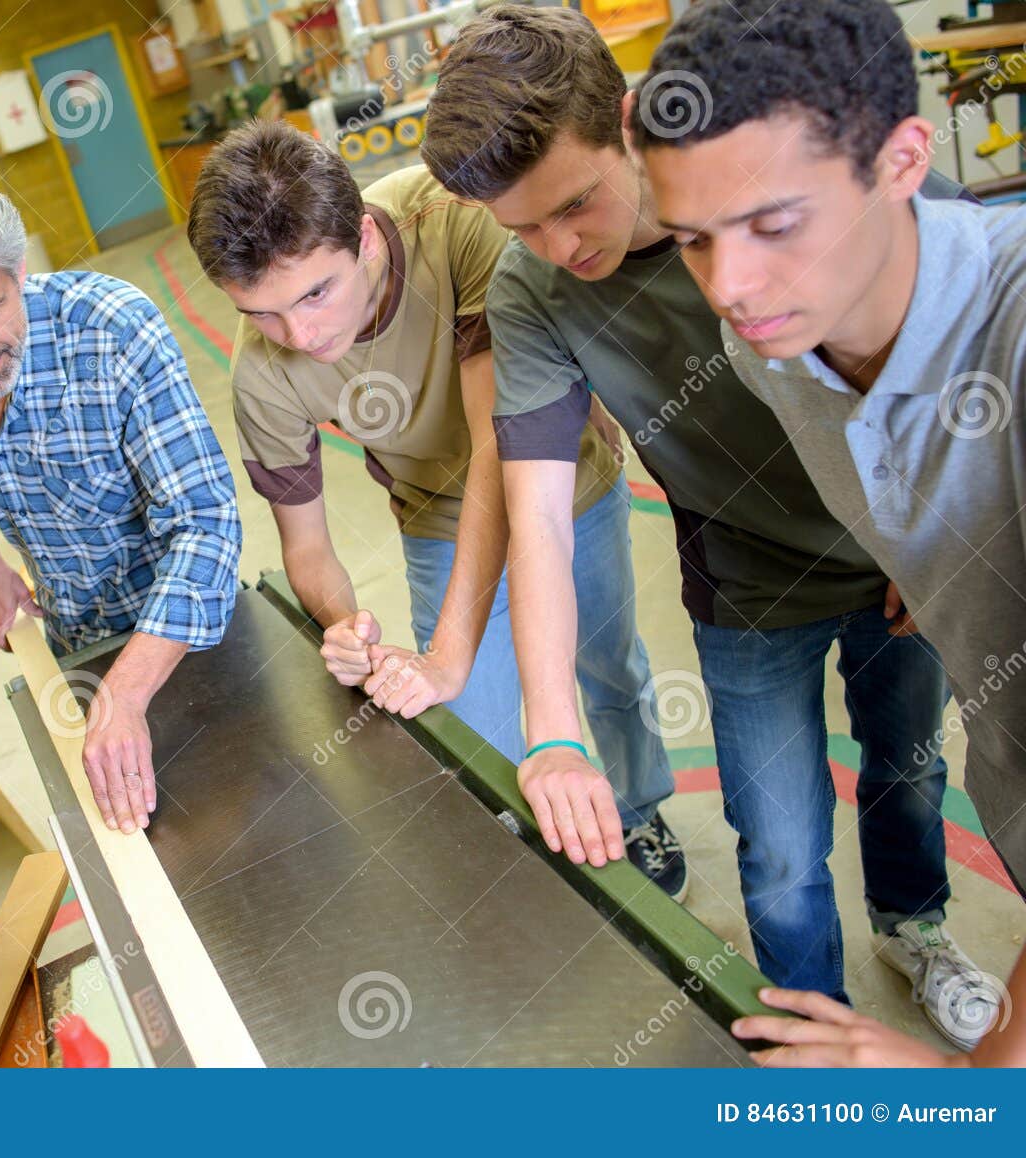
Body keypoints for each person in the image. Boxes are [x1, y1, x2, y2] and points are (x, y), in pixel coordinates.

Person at [416, 2, 992, 1044]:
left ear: (631, 123)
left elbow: (961, 340)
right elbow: (536, 511)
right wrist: (551, 730)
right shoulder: (533, 290)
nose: (559, 247)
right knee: (774, 850)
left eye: (576, 203)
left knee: (907, 770)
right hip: (745, 591)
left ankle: (916, 928)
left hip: (896, 567)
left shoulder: (800, 190)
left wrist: (928, 535)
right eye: (521, 229)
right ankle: (811, 1026)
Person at [633, 0, 1024, 1067]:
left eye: (773, 223)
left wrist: (972, 1089)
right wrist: (927, 554)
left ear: (904, 160)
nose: (729, 286)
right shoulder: (769, 338)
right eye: (692, 240)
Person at [185, 120, 685, 897]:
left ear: (363, 239)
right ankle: (526, 868)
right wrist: (340, 623)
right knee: (474, 734)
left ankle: (643, 807)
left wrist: (446, 654)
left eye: (317, 293)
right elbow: (308, 549)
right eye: (262, 314)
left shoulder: (457, 223)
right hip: (435, 519)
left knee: (607, 664)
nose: (301, 334)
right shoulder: (262, 377)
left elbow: (500, 445)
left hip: (558, 483)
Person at [0, 171, 242, 836]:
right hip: (71, 641)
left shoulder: (117, 333)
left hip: (185, 640)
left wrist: (124, 694)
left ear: (20, 271)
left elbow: (206, 526)